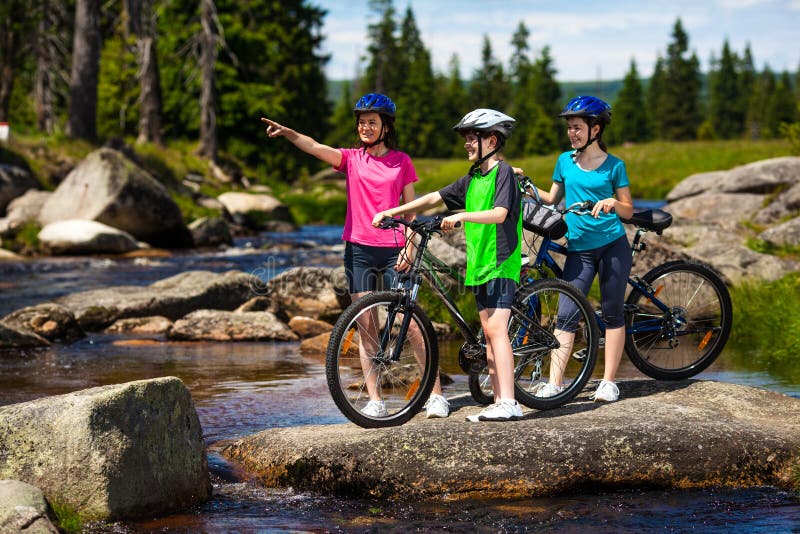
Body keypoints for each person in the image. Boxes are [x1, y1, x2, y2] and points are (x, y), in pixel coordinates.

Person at [261, 93, 450, 419]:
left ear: (385, 127)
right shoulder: (351, 159)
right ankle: (375, 399)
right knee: (366, 327)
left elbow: (411, 211)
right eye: (361, 122)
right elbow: (315, 146)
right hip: (359, 251)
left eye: (371, 122)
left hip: (394, 251)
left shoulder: (402, 161)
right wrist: (290, 134)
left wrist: (410, 245)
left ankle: (434, 394)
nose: (365, 127)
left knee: (411, 323)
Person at [373, 108, 524, 422]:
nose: (467, 144)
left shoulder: (503, 173)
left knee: (497, 330)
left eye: (473, 138)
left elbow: (499, 214)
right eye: (466, 139)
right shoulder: (473, 178)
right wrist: (394, 211)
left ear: (492, 140)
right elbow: (433, 198)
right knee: (488, 331)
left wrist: (460, 217)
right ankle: (499, 399)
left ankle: (509, 401)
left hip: (500, 259)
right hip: (480, 261)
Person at [527, 95, 634, 402]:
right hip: (579, 249)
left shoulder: (615, 166)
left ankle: (609, 382)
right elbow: (551, 199)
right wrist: (525, 182)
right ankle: (554, 383)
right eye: (569, 128)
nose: (572, 133)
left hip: (613, 244)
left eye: (577, 127)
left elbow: (628, 209)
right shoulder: (564, 161)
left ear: (596, 129)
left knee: (613, 313)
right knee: (566, 315)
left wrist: (614, 202)